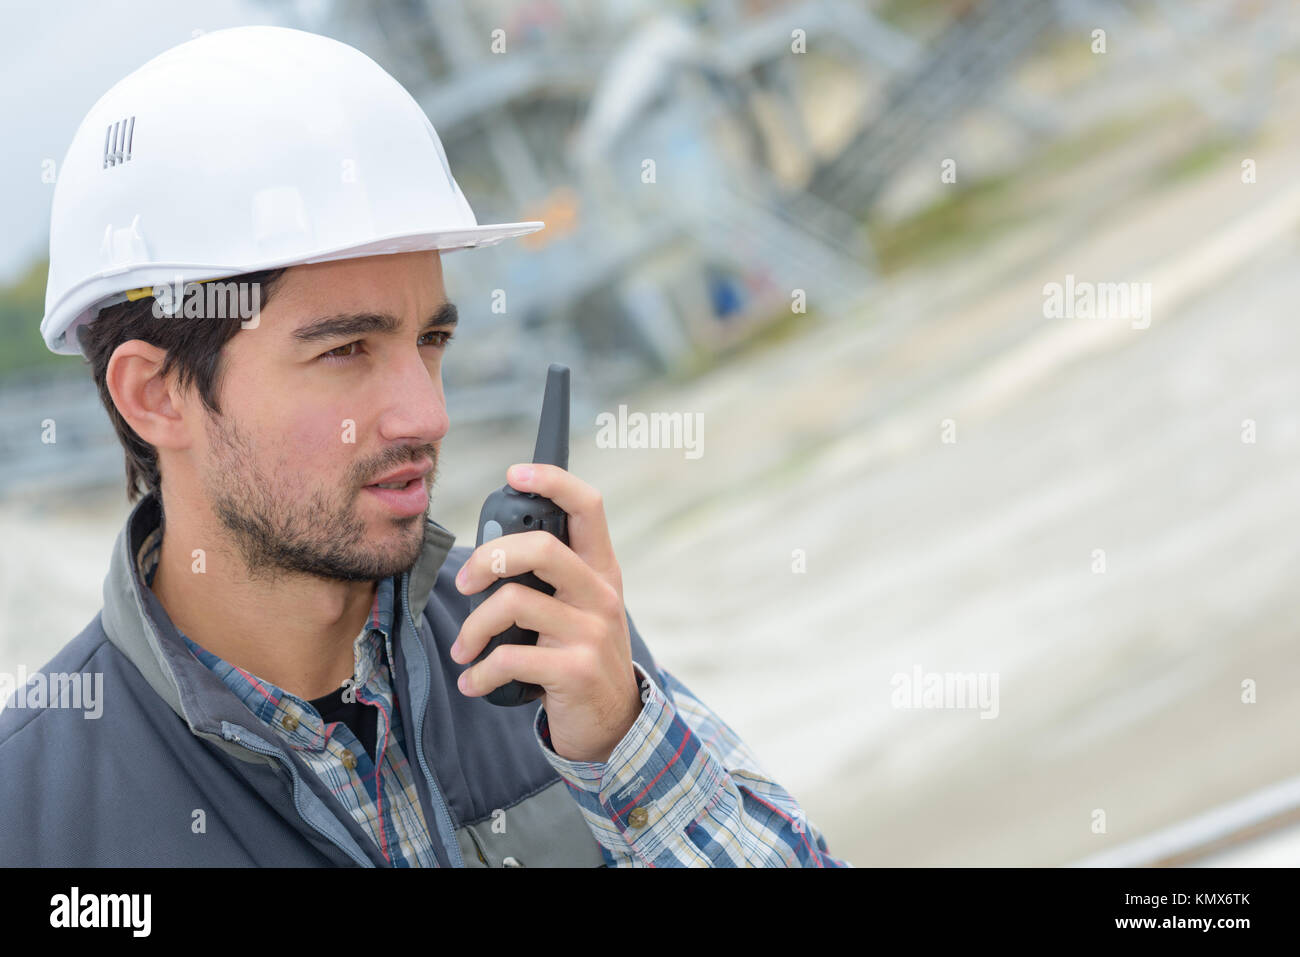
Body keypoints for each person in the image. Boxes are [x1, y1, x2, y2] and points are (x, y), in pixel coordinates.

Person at [0, 25, 848, 868]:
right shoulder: (31, 813)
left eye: (430, 341)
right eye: (344, 351)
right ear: (156, 395)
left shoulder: (543, 644)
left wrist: (627, 752)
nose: (425, 413)